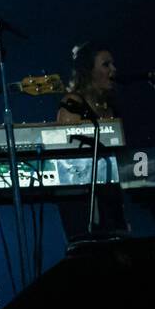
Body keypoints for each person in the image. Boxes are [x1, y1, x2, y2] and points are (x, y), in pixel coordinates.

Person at [56, 41, 128, 241]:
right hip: (82, 198)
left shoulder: (110, 107)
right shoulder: (73, 104)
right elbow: (67, 158)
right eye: (106, 65)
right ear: (88, 71)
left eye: (112, 64)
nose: (113, 69)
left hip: (110, 192)